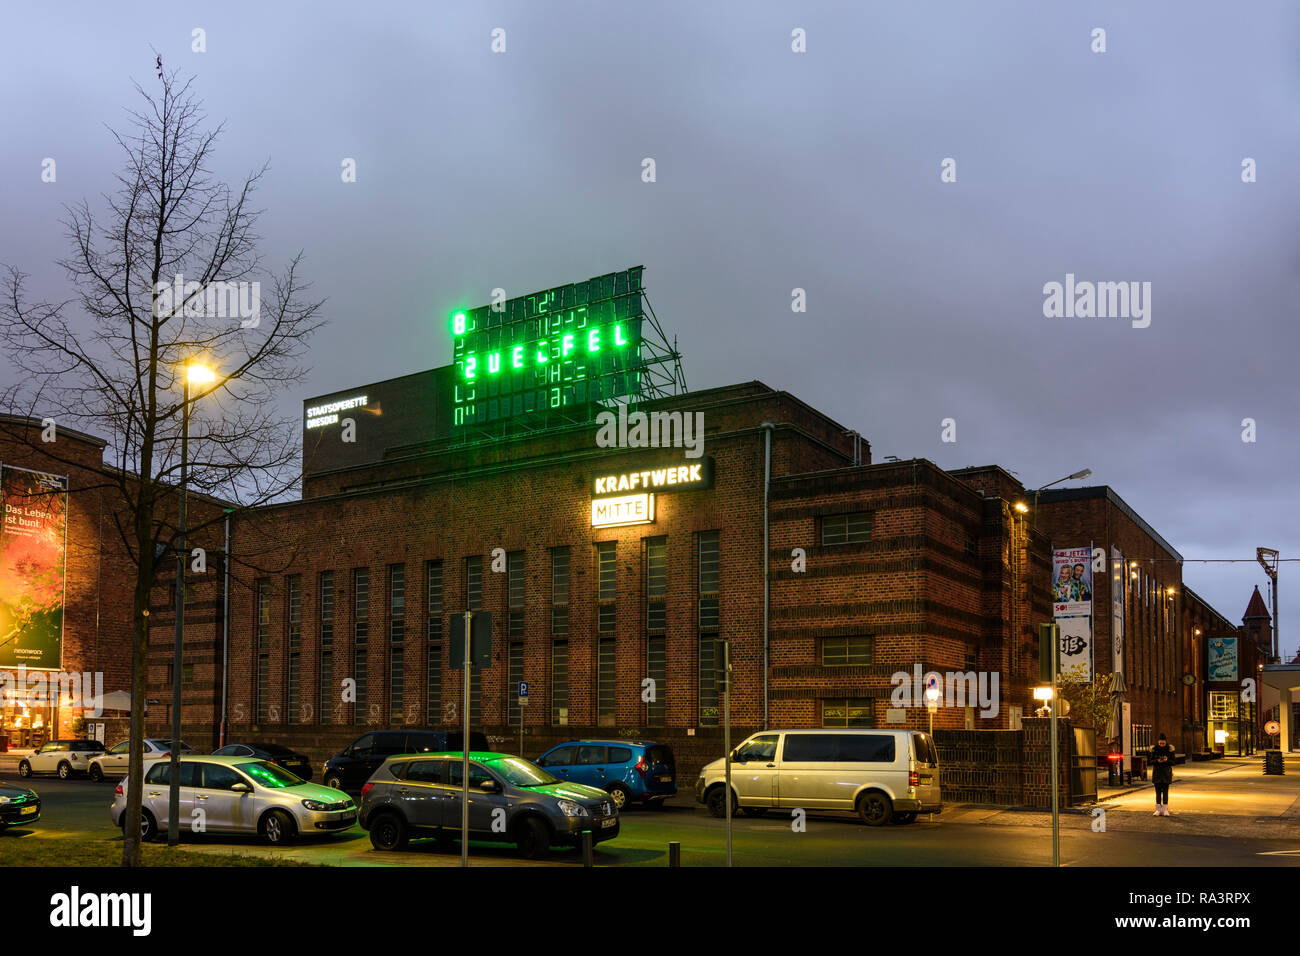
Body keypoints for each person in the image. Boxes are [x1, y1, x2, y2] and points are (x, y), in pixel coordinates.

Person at [1149, 733, 1175, 816]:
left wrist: (1166, 760)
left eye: (1163, 743)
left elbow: (1173, 762)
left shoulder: (1169, 750)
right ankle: (1158, 810)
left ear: (1166, 742)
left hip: (1166, 774)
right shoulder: (1154, 750)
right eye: (1160, 743)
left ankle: (1165, 810)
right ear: (1158, 742)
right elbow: (1150, 761)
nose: (1161, 745)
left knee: (1165, 792)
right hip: (1157, 774)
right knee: (1158, 792)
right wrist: (1157, 761)